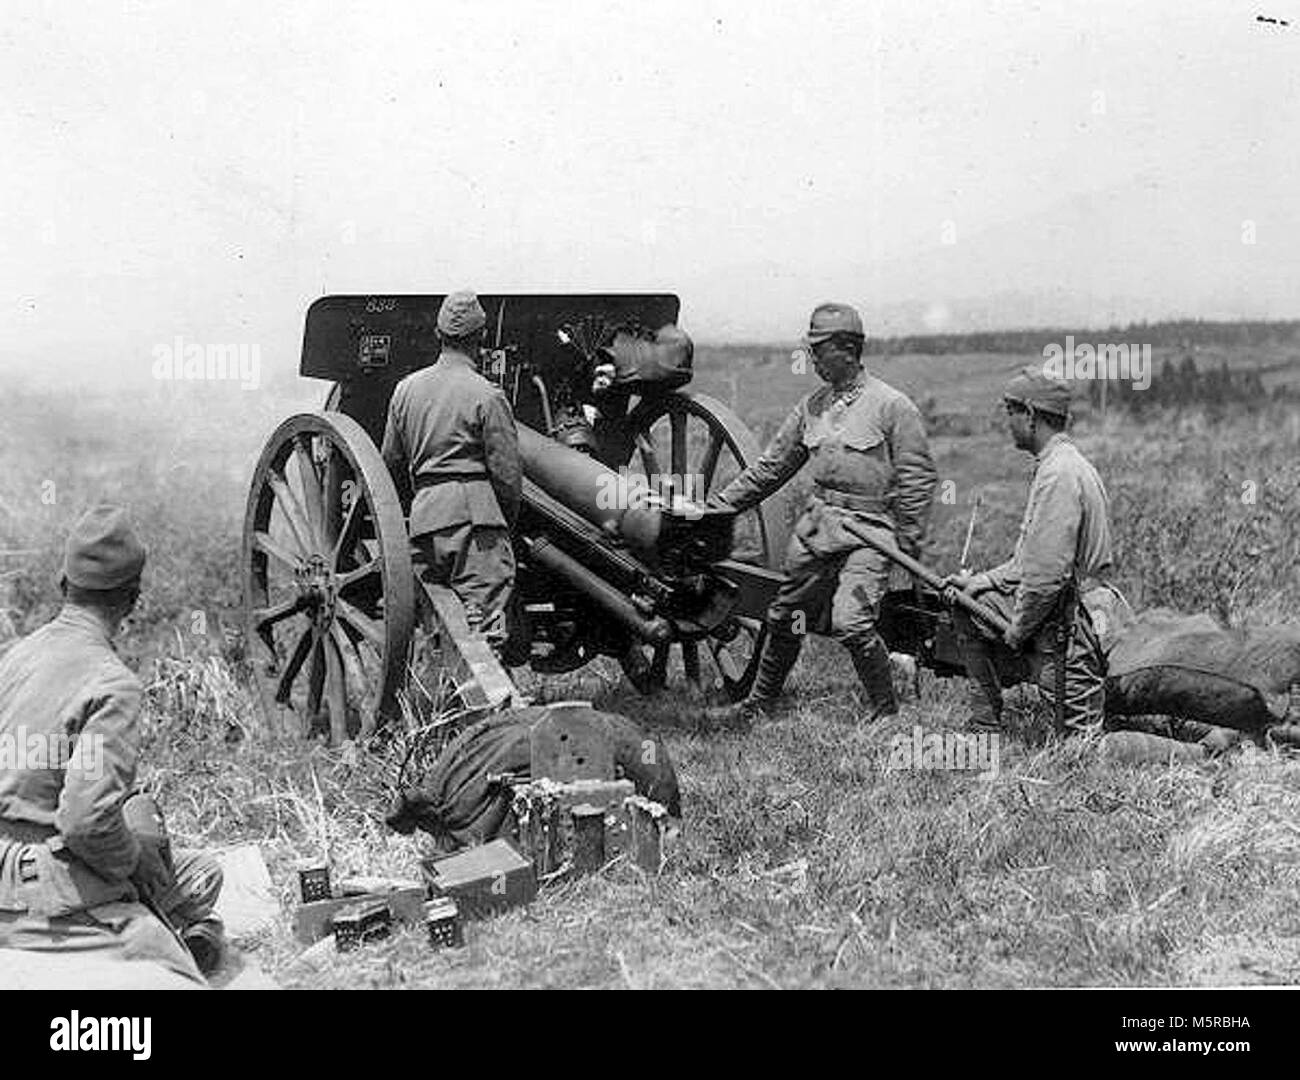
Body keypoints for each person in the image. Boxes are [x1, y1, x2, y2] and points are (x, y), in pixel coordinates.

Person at [0, 505, 223, 986]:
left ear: (63, 584)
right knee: (177, 981)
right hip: (46, 893)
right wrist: (134, 861)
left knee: (200, 873)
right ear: (132, 600)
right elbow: (85, 822)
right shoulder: (112, 683)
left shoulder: (16, 657)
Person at [706, 302, 937, 723]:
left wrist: (911, 539)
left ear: (846, 349)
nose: (811, 358)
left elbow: (918, 478)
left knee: (853, 622)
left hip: (870, 533)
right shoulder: (811, 407)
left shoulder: (892, 406)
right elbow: (771, 468)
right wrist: (717, 507)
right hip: (817, 528)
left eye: (818, 349)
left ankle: (886, 712)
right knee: (785, 617)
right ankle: (761, 703)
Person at [945, 366, 1112, 736]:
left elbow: (1045, 576)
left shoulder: (1058, 475)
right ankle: (984, 723)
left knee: (1080, 747)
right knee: (965, 604)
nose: (1007, 422)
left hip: (1073, 625)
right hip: (1071, 612)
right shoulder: (1060, 464)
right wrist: (981, 583)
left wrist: (1018, 630)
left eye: (1011, 411)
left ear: (1031, 416)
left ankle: (1202, 750)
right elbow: (1028, 562)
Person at [382, 290, 522, 645]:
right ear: (482, 338)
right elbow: (507, 477)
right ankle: (487, 700)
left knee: (439, 622)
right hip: (475, 522)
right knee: (484, 626)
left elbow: (391, 462)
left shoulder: (405, 390)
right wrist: (502, 522)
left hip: (424, 522)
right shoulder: (487, 395)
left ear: (438, 335)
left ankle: (444, 698)